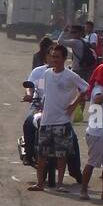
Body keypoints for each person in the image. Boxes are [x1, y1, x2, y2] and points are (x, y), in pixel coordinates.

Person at [27, 43, 89, 193]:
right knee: (42, 154)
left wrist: (73, 104)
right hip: (46, 120)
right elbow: (42, 91)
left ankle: (60, 183)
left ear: (64, 58)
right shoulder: (47, 74)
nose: (54, 59)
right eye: (52, 56)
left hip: (63, 121)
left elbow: (86, 88)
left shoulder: (70, 75)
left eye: (57, 57)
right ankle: (40, 183)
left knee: (62, 156)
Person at [80, 53, 103, 201]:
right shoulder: (99, 89)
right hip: (97, 133)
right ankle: (83, 190)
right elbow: (97, 100)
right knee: (92, 163)